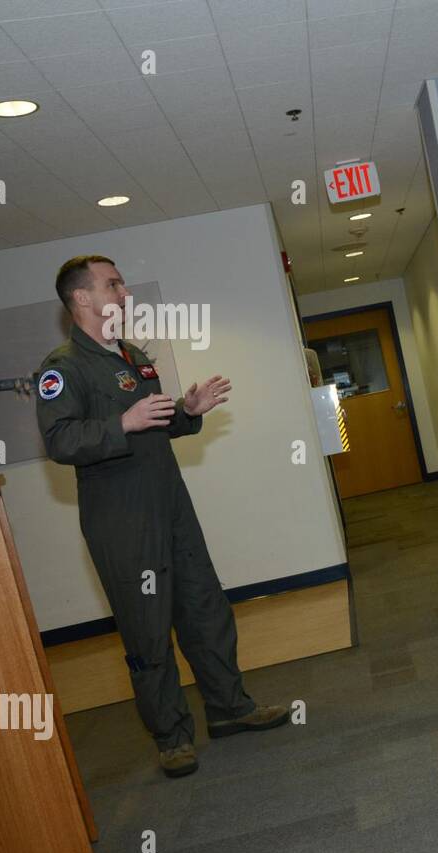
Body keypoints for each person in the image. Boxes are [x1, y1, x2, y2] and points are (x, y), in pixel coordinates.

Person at [35, 256, 289, 779]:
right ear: (81, 299)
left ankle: (229, 709)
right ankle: (172, 739)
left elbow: (152, 423)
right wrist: (120, 422)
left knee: (205, 609)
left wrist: (187, 411)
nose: (123, 292)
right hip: (122, 523)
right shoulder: (63, 368)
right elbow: (60, 441)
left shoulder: (130, 356)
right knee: (147, 631)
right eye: (112, 284)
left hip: (172, 508)